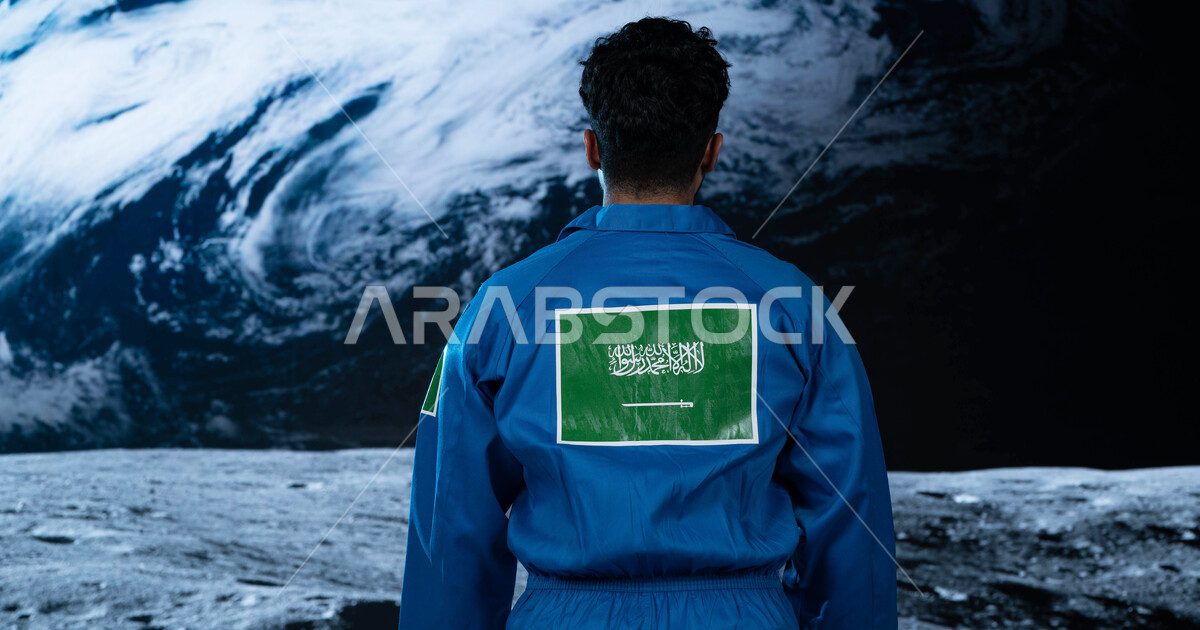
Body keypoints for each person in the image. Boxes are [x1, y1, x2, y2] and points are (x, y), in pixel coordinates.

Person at [399, 16, 896, 630]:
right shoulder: (794, 308)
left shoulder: (501, 310)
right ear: (711, 152)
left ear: (592, 149)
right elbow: (852, 518)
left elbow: (450, 532)